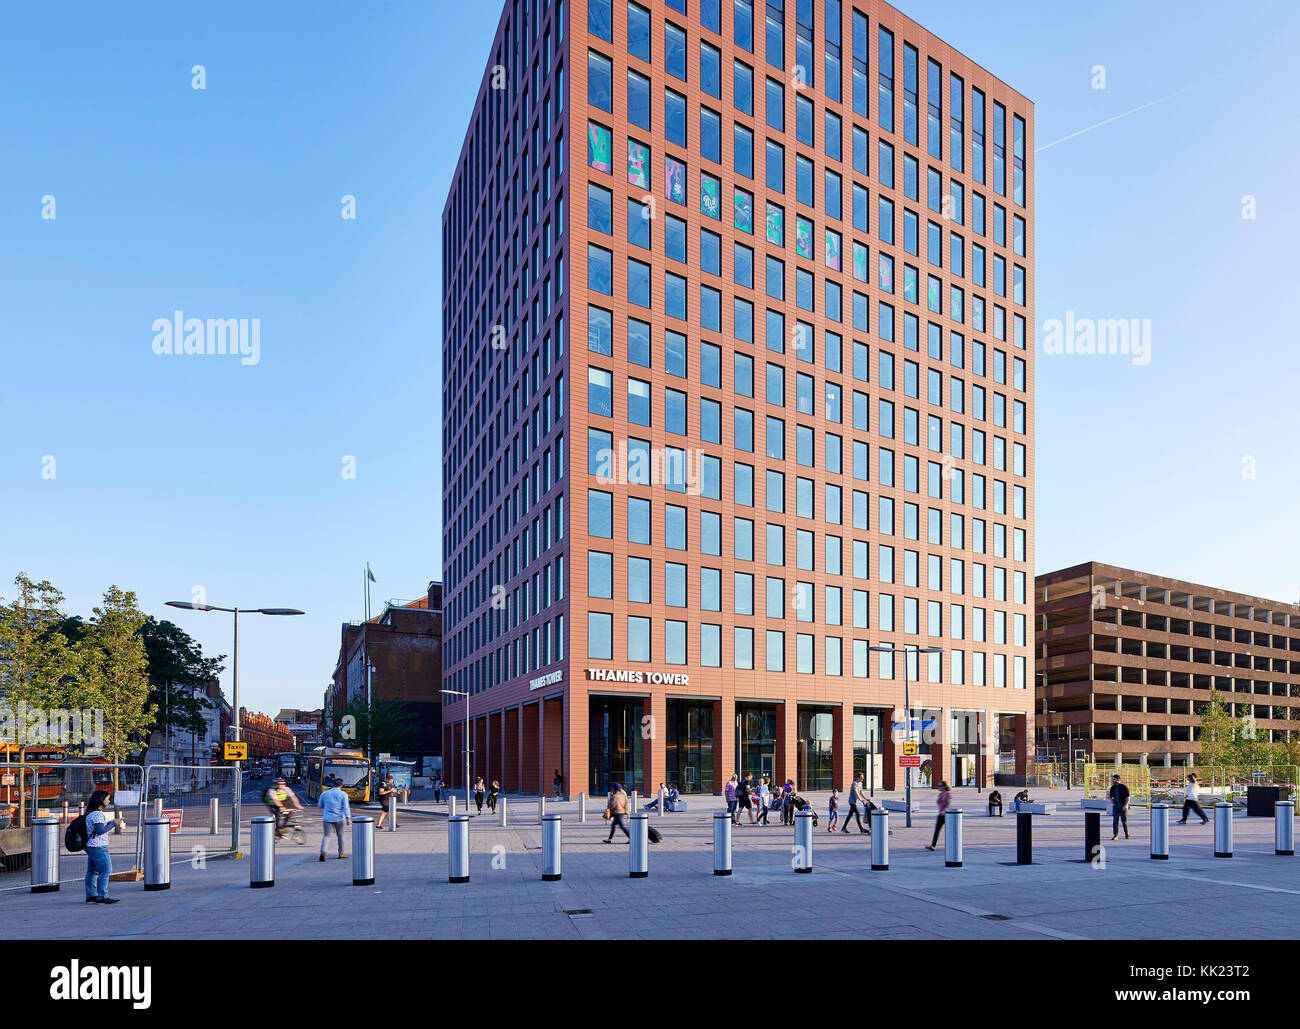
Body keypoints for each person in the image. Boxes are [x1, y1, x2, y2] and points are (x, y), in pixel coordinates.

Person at [83, 790, 123, 903]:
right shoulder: (97, 814)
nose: (109, 801)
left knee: (92, 871)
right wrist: (114, 823)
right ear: (101, 800)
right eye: (107, 799)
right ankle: (102, 896)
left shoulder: (91, 813)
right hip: (98, 846)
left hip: (90, 845)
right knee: (106, 869)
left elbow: (98, 828)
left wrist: (109, 823)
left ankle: (91, 895)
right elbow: (100, 831)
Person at [317, 777, 351, 861]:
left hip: (327, 818)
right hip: (339, 818)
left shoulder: (325, 793)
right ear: (341, 785)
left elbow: (320, 805)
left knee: (326, 836)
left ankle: (323, 851)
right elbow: (346, 807)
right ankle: (341, 853)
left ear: (332, 784)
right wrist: (348, 818)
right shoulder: (343, 794)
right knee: (340, 835)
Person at [926, 781, 952, 851]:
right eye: (938, 786)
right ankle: (933, 846)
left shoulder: (948, 794)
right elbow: (938, 803)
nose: (938, 787)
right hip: (940, 815)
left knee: (949, 831)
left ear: (944, 786)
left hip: (946, 815)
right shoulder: (940, 794)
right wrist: (938, 801)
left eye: (940, 786)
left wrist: (945, 811)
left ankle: (951, 845)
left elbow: (949, 804)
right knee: (937, 830)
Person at [1108, 773, 1130, 840]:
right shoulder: (1112, 788)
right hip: (1116, 806)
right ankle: (1115, 835)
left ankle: (1126, 834)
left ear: (1118, 779)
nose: (1113, 781)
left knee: (1124, 821)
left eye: (1114, 779)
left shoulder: (1124, 787)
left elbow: (1128, 797)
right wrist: (1113, 804)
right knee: (1115, 821)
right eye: (1112, 779)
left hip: (1123, 805)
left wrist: (1126, 805)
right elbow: (1111, 797)